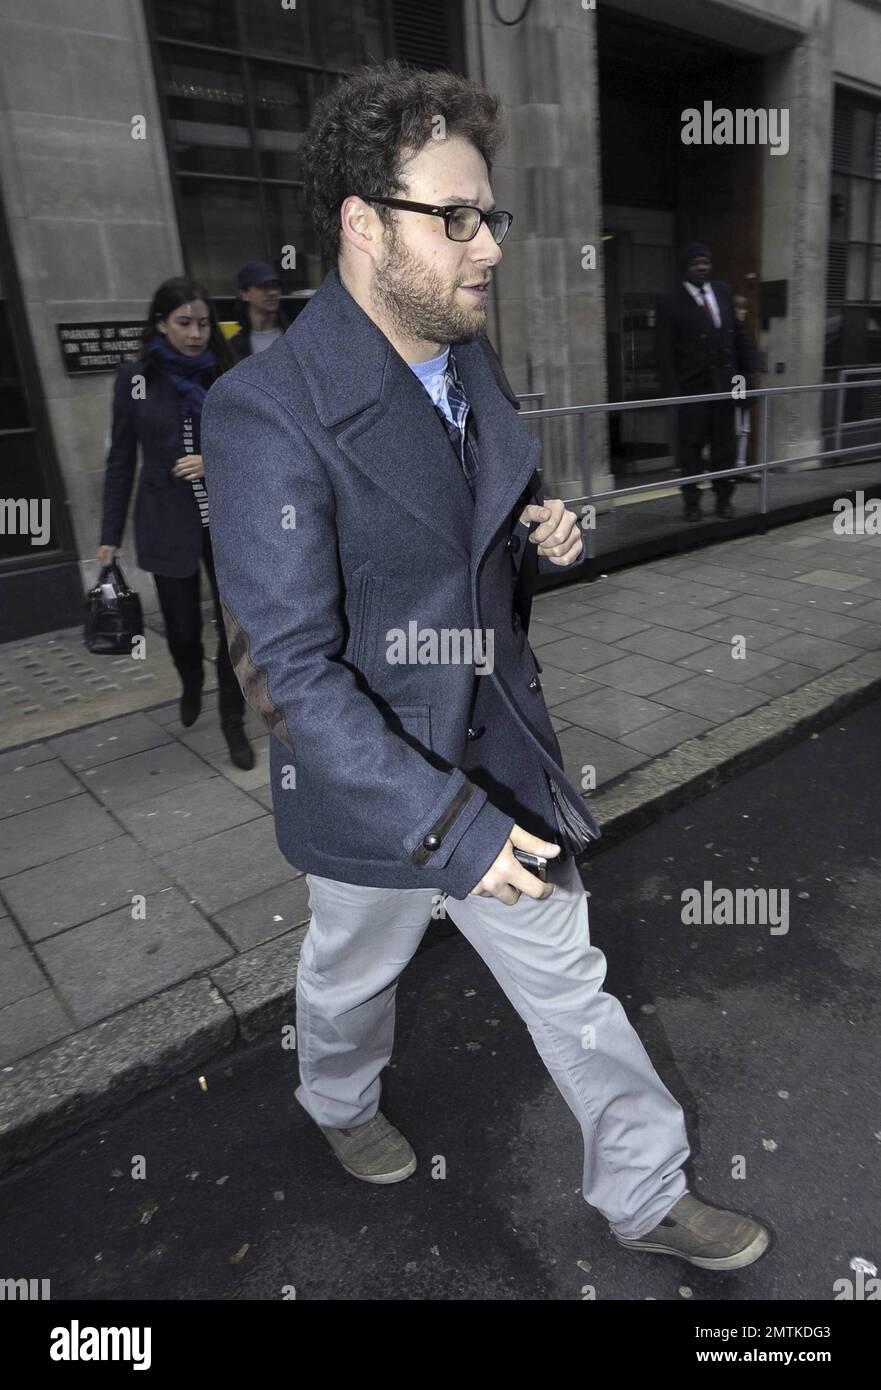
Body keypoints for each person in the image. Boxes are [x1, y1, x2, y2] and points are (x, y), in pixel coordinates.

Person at [202, 60, 770, 1272]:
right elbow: (291, 672)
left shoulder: (463, 361)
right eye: (454, 218)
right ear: (364, 224)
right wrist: (445, 831)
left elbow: (462, 559)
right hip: (381, 795)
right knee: (351, 985)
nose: (488, 246)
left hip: (496, 759)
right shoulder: (266, 410)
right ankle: (338, 1106)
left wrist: (536, 539)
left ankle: (646, 1189)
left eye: (489, 217)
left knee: (574, 982)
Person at [97, 276, 255, 769]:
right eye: (184, 323)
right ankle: (190, 678)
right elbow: (121, 459)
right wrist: (107, 538)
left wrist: (213, 460)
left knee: (232, 629)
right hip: (166, 519)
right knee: (183, 629)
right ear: (161, 324)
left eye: (204, 323)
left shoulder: (226, 372)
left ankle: (233, 721)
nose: (196, 334)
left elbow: (256, 441)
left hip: (225, 518)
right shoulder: (136, 379)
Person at [656, 243, 760, 523]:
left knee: (724, 448)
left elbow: (738, 337)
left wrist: (749, 375)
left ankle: (724, 500)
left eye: (705, 262)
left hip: (725, 389)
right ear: (685, 268)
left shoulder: (723, 291)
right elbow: (664, 352)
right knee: (691, 450)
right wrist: (673, 394)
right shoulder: (670, 302)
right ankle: (692, 503)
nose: (701, 267)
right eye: (695, 263)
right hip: (692, 391)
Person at [229, 261, 290, 360]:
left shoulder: (295, 336)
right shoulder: (234, 347)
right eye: (263, 286)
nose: (272, 292)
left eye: (275, 286)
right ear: (244, 294)